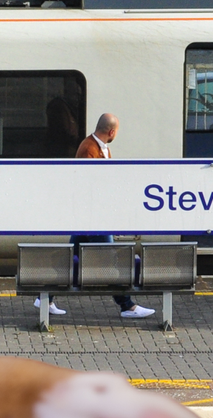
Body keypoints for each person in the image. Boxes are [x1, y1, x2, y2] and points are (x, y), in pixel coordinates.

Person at [35, 113, 156, 318]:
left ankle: (44, 298)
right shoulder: (89, 149)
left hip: (90, 217)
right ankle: (127, 306)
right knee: (109, 259)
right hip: (92, 218)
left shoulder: (101, 148)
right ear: (111, 132)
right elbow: (89, 184)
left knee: (69, 258)